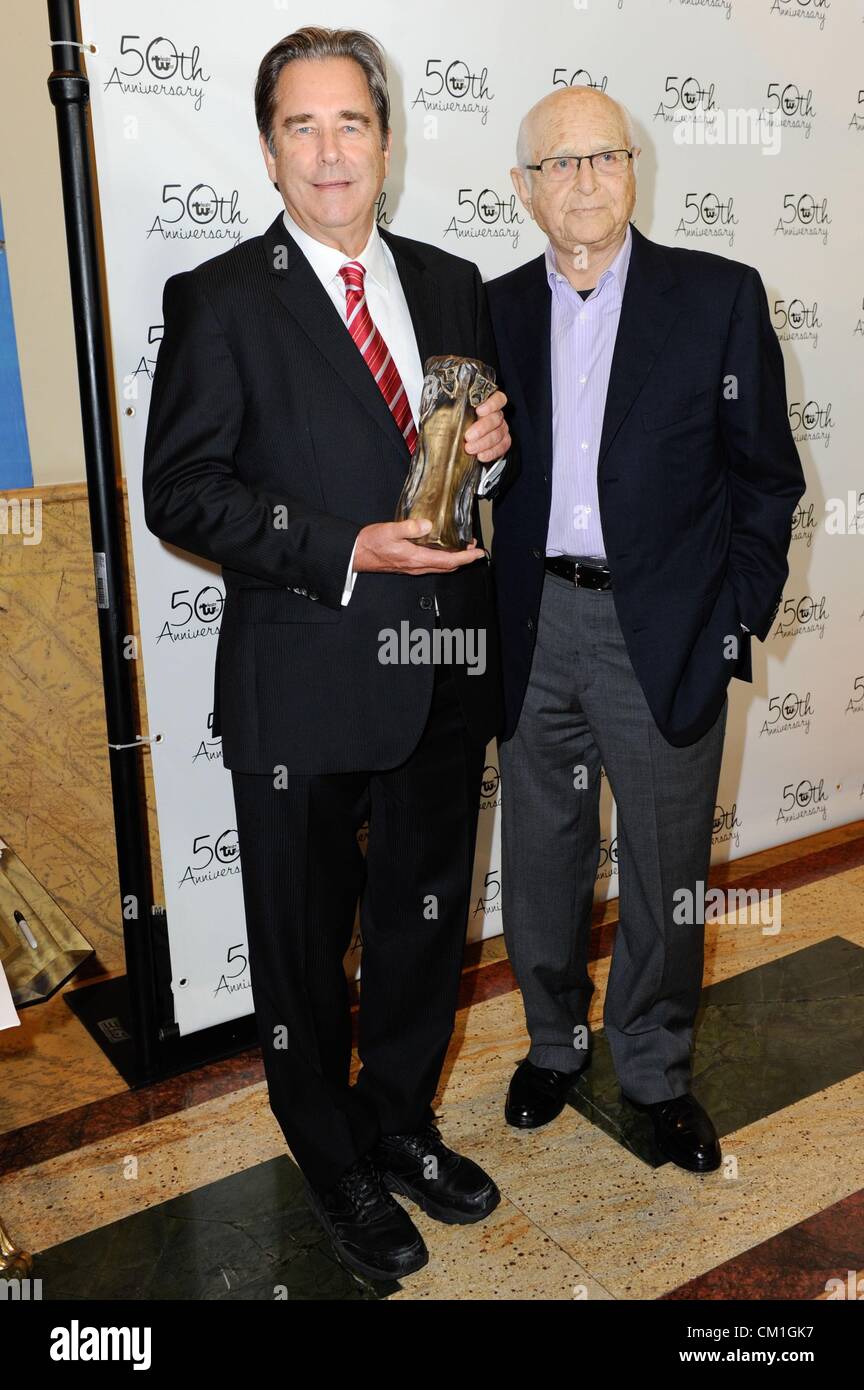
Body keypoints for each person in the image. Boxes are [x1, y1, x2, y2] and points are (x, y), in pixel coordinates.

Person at [143, 26, 512, 1282]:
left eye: (350, 121)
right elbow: (181, 492)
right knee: (301, 949)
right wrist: (342, 545)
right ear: (267, 148)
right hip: (300, 683)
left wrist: (490, 450)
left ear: (387, 137)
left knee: (421, 931)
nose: (329, 148)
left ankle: (400, 1123)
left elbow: (459, 455)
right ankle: (330, 1153)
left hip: (442, 676)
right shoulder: (221, 298)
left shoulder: (453, 282)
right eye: (300, 126)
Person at [486, 85, 805, 1171]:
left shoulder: (715, 298)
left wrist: (735, 616)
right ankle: (553, 1044)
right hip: (532, 627)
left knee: (668, 868)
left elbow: (768, 479)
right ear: (524, 190)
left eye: (603, 156)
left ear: (635, 168)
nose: (584, 181)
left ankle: (657, 1070)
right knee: (539, 861)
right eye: (558, 164)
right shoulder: (488, 312)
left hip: (663, 633)